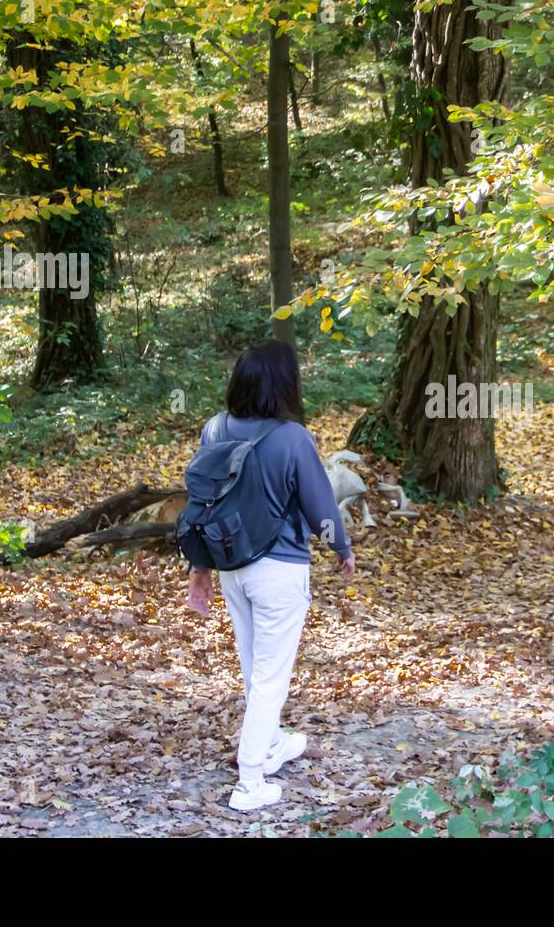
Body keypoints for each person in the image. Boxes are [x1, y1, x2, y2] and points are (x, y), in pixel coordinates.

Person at [186, 340, 355, 811]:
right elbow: (320, 504)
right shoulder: (293, 437)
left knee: (254, 667)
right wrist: (341, 546)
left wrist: (198, 569)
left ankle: (273, 742)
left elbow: (202, 505)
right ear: (285, 384)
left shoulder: (214, 429)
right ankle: (250, 781)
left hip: (231, 568)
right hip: (279, 570)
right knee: (270, 676)